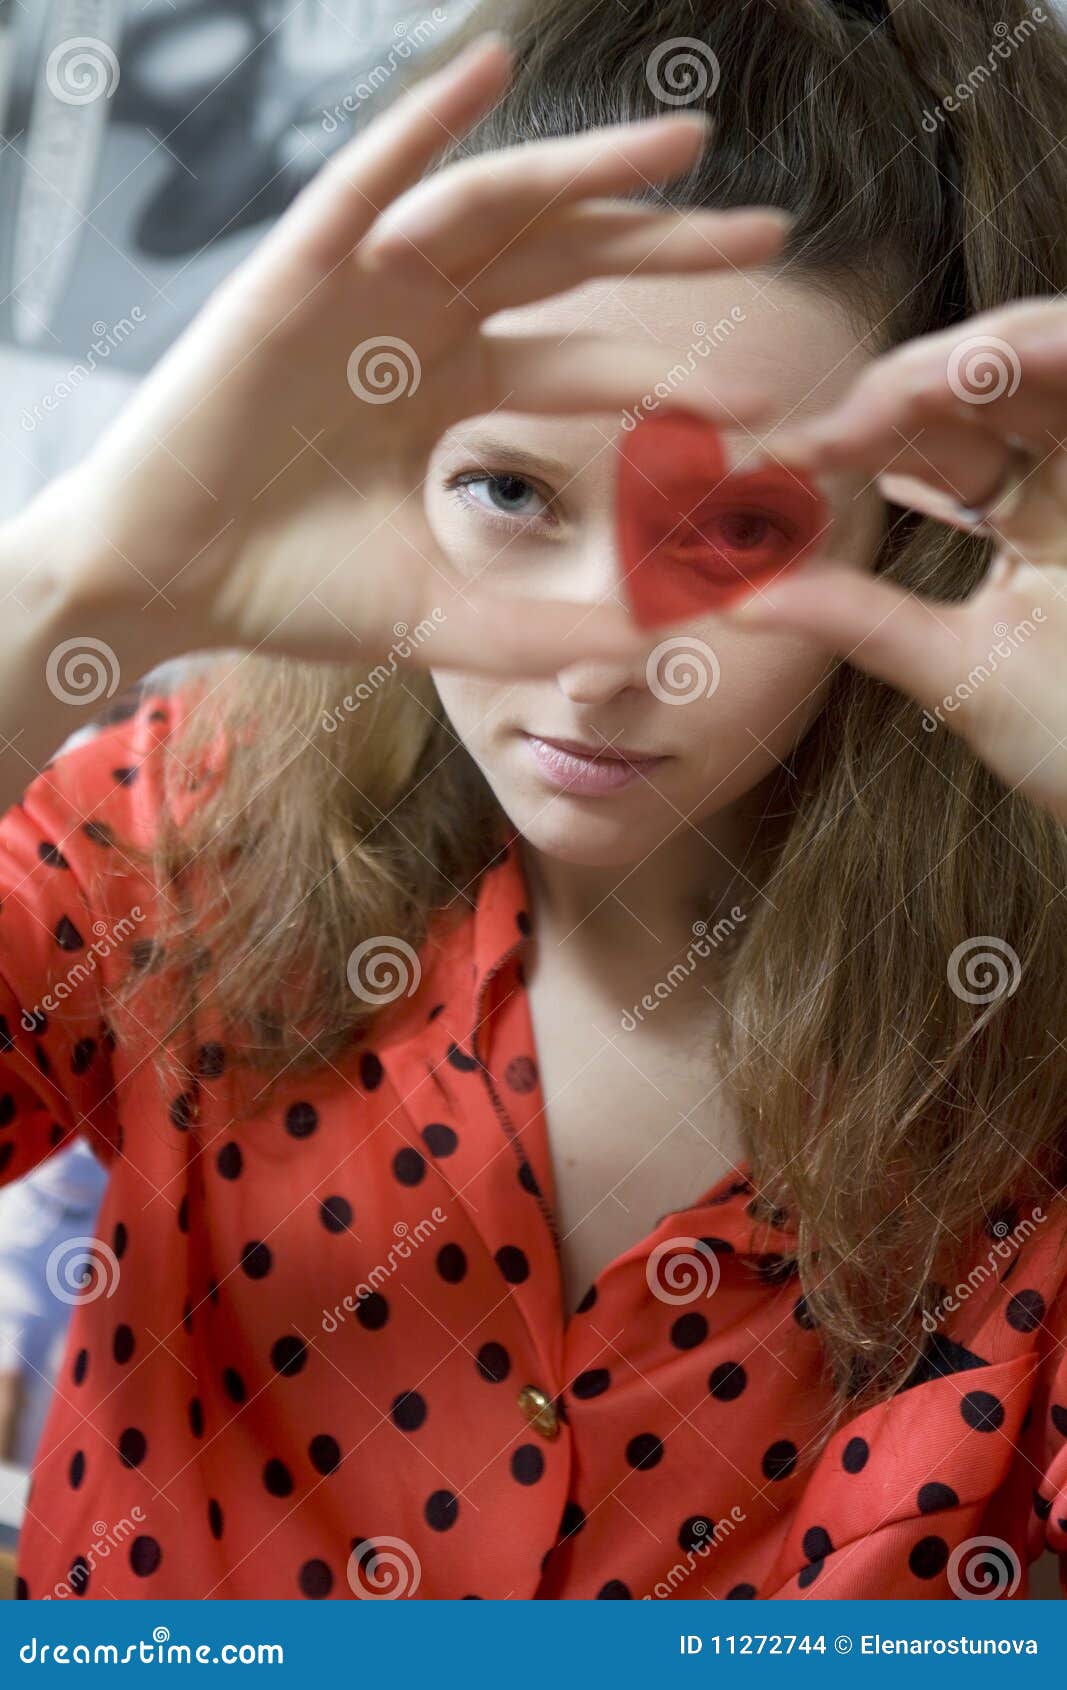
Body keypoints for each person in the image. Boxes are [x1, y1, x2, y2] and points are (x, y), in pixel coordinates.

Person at [0, 0, 1065, 1600]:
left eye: (736, 528)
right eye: (509, 490)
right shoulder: (171, 831)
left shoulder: (1032, 1054)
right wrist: (71, 594)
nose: (603, 657)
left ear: (918, 537)